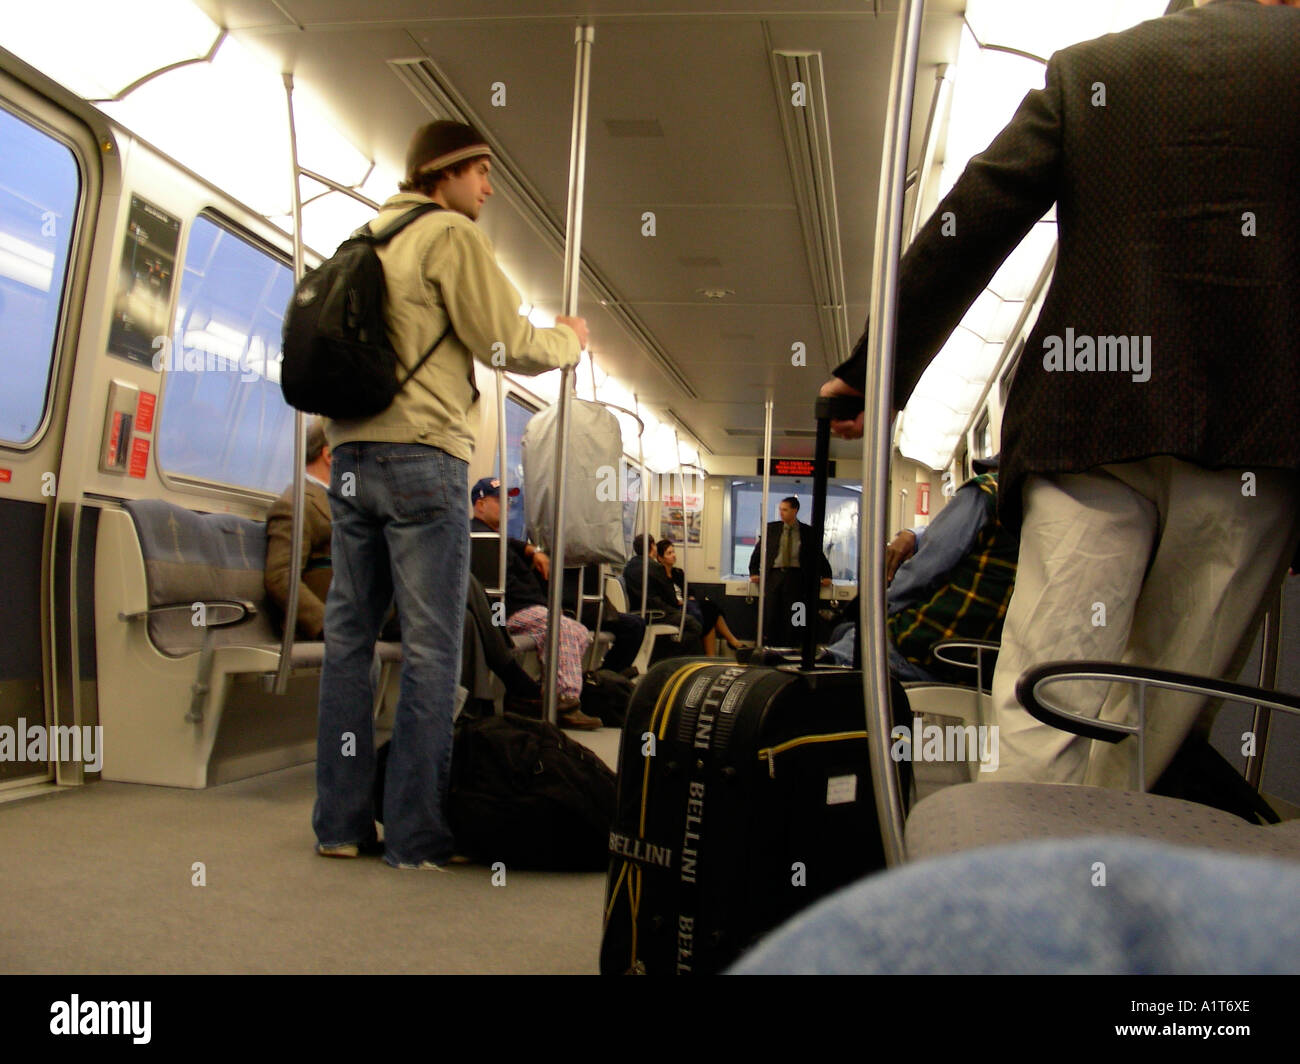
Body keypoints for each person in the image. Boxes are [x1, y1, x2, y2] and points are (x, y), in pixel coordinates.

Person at [822, 0, 1300, 789]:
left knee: (1044, 685)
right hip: (1260, 432)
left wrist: (879, 367)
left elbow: (973, 216)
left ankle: (1013, 888)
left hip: (1091, 419)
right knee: (1158, 705)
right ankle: (1101, 874)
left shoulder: (1095, 69)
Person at [315, 120, 585, 868]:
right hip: (422, 456)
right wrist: (568, 338)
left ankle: (337, 823)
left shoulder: (365, 237)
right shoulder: (449, 237)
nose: (490, 188)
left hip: (348, 455)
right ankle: (414, 834)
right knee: (435, 647)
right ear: (445, 173)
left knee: (349, 642)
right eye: (482, 172)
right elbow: (507, 343)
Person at [469, 476, 602, 729]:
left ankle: (540, 695)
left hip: (526, 608)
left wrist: (532, 550)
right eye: (499, 501)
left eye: (508, 501)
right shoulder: (476, 536)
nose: (507, 505)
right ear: (480, 504)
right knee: (563, 629)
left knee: (580, 631)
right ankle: (564, 702)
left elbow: (507, 542)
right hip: (506, 611)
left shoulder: (499, 538)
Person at [264, 418, 333, 639]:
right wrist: (329, 626)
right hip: (332, 626)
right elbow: (281, 577)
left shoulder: (348, 504)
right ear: (329, 455)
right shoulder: (298, 503)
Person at [748, 496, 833, 648]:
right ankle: (769, 645)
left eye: (785, 510)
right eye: (780, 509)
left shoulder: (807, 532)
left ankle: (794, 645)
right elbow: (758, 551)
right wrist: (754, 571)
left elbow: (817, 555)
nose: (781, 513)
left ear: (795, 510)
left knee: (796, 613)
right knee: (772, 612)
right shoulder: (771, 529)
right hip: (774, 575)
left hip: (797, 577)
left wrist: (826, 574)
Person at [656, 539, 747, 655]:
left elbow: (689, 590)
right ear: (660, 558)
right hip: (675, 608)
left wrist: (691, 597)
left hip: (687, 604)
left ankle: (716, 652)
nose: (674, 556)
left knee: (710, 610)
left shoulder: (678, 573)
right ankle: (729, 643)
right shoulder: (659, 576)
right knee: (710, 611)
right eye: (669, 553)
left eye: (673, 552)